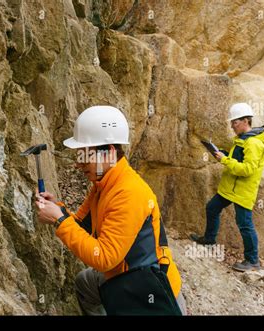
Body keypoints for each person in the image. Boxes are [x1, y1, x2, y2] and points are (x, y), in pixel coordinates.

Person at [35, 105, 186, 315]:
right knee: (85, 283)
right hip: (124, 277)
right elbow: (81, 226)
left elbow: (105, 258)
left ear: (110, 153)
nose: (80, 164)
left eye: (85, 156)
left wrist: (60, 221)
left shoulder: (129, 192)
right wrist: (57, 210)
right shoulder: (103, 184)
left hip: (151, 292)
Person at [191, 102, 264, 272]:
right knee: (212, 208)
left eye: (234, 122)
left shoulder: (253, 144)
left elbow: (247, 169)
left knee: (244, 224)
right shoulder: (243, 140)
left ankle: (252, 260)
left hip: (242, 191)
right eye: (232, 122)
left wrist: (224, 160)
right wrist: (222, 153)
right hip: (231, 189)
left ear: (245, 121)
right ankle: (209, 240)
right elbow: (239, 159)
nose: (232, 125)